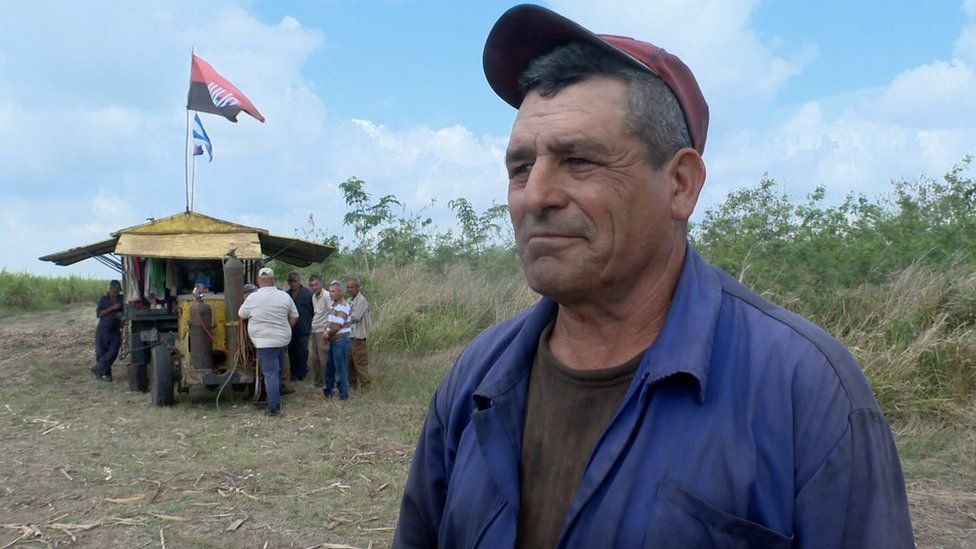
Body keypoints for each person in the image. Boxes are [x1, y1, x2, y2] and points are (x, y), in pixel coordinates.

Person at [394, 5, 913, 548]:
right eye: (521, 167)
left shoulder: (803, 389)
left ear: (681, 185)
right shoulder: (478, 376)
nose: (536, 196)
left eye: (579, 161)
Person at [238, 267, 297, 417]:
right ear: (273, 280)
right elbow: (294, 316)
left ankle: (273, 407)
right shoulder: (284, 296)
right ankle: (276, 397)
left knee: (270, 373)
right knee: (276, 371)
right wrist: (286, 328)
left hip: (265, 342)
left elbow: (241, 314)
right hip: (282, 340)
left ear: (258, 281)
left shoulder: (253, 297)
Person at [320, 280, 352, 401]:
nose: (330, 294)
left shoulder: (343, 306)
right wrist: (326, 332)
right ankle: (328, 392)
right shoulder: (334, 306)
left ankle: (343, 395)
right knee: (330, 368)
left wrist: (326, 334)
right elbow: (331, 323)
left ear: (341, 292)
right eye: (330, 291)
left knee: (340, 369)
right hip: (334, 342)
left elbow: (337, 325)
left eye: (333, 291)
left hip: (340, 342)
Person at [91, 280, 123, 382]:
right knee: (101, 352)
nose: (116, 293)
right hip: (103, 329)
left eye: (118, 291)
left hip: (115, 329)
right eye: (115, 291)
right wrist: (113, 308)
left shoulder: (121, 299)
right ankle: (106, 375)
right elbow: (99, 314)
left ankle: (97, 369)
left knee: (113, 351)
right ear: (110, 289)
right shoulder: (104, 300)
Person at [286, 272, 314, 381]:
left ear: (299, 281)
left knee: (302, 351)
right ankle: (293, 373)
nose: (293, 284)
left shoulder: (308, 294)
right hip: (290, 328)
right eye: (291, 281)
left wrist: (310, 322)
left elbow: (314, 310)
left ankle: (302, 372)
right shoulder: (286, 295)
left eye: (295, 281)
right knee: (291, 351)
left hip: (303, 328)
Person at [345, 276, 371, 390]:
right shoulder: (349, 301)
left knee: (359, 363)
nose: (350, 289)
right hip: (350, 336)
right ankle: (352, 385)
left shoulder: (362, 300)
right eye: (348, 287)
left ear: (358, 287)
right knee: (350, 363)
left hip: (358, 337)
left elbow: (355, 316)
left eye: (352, 287)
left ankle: (366, 386)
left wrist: (344, 314)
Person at [308, 274, 332, 387]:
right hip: (315, 329)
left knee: (324, 359)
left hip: (323, 330)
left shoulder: (327, 295)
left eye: (316, 284)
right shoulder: (313, 297)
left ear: (321, 284)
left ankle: (328, 383)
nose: (314, 287)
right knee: (315, 358)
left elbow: (332, 312)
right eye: (312, 285)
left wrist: (328, 330)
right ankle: (317, 382)